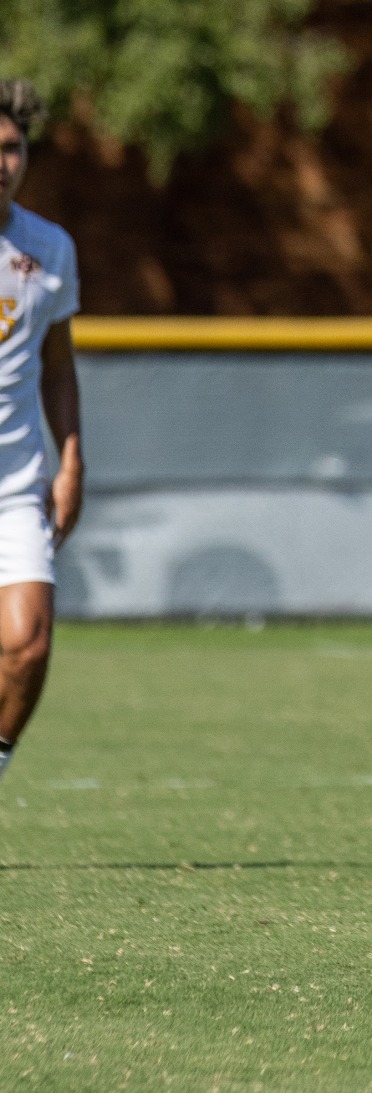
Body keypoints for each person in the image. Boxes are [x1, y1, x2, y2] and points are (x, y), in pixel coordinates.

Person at [0, 79, 84, 787]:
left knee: (27, 645)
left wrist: (72, 461)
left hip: (17, 483)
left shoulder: (50, 249)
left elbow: (58, 366)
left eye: (10, 147)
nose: (1, 161)